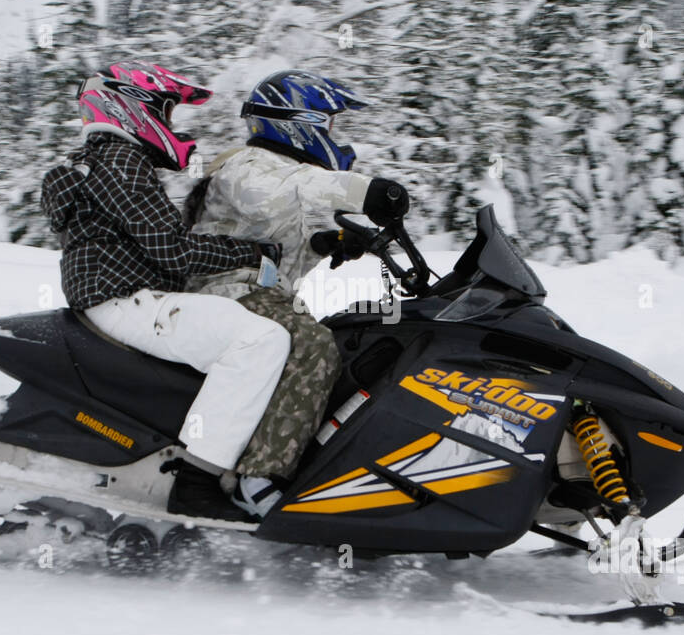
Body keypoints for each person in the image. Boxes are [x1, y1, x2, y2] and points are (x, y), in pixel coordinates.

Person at [40, 61, 290, 523]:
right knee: (261, 339)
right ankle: (198, 481)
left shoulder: (100, 161)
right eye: (167, 112)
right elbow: (171, 250)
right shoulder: (121, 161)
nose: (171, 126)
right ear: (132, 109)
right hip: (129, 301)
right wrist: (254, 254)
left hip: (114, 300)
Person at [185, 70, 410, 517]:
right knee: (313, 346)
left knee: (350, 335)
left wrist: (327, 245)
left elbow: (277, 234)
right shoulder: (247, 166)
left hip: (259, 296)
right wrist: (362, 190)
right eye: (330, 125)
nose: (338, 140)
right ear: (297, 123)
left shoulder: (287, 173)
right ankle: (259, 477)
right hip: (223, 294)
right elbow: (269, 199)